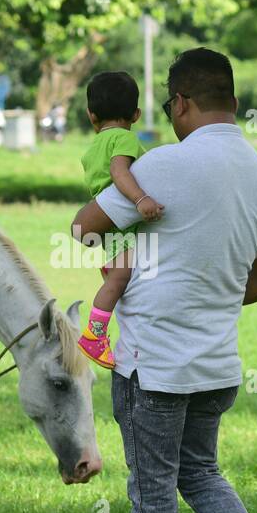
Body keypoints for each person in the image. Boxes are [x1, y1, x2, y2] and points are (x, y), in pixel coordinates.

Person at [71, 47, 257, 513]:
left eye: (172, 105)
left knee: (151, 488)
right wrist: (210, 294)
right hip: (217, 363)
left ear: (182, 103)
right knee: (198, 472)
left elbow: (85, 226)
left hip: (154, 365)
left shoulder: (164, 166)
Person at [75, 71, 164, 369]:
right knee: (120, 279)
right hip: (124, 225)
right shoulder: (124, 138)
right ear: (136, 114)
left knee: (121, 279)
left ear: (91, 115)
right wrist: (141, 199)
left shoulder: (93, 147)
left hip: (109, 226)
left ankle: (101, 331)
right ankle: (94, 335)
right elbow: (119, 172)